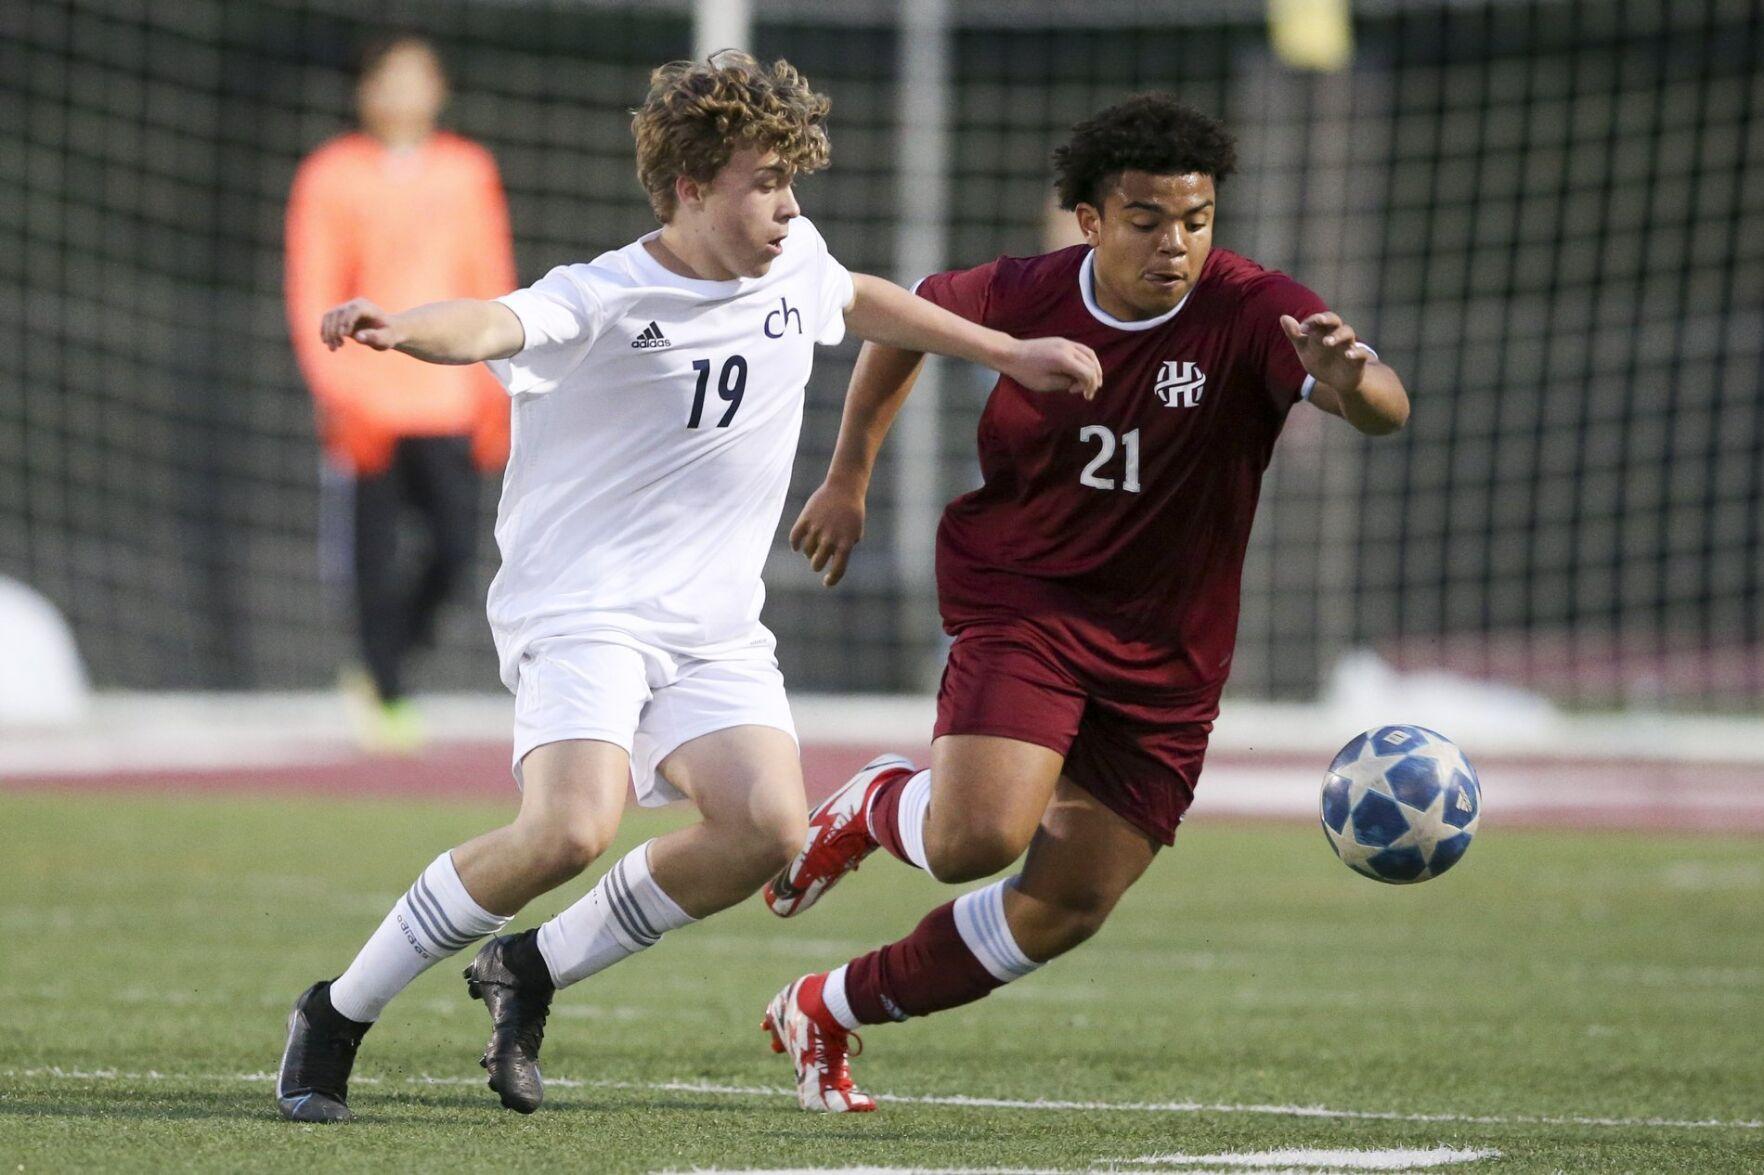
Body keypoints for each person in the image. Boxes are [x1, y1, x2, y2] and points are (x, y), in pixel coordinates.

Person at [273, 51, 1101, 1124]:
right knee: (569, 830)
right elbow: (492, 320)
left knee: (768, 830)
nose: (787, 204)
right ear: (691, 188)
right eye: (765, 181)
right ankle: (336, 1010)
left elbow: (860, 301)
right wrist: (402, 330)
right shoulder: (610, 292)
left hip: (713, 624)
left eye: (792, 180)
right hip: (585, 606)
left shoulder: (794, 258)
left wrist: (1008, 351)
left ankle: (528, 969)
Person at [760, 94, 1411, 1113]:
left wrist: (1353, 377)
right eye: (1148, 220)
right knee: (975, 839)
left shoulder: (1255, 307)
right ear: (1091, 220)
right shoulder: (1020, 290)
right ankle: (883, 800)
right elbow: (905, 326)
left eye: (1196, 219)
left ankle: (827, 1006)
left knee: (1066, 904)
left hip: (1171, 650)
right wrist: (848, 478)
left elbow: (1386, 410)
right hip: (1028, 600)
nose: (1176, 243)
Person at [285, 36, 516, 751]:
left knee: (452, 553)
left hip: (449, 399)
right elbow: (312, 289)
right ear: (365, 90)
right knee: (370, 560)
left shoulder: (468, 170)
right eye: (388, 79)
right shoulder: (330, 175)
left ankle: (388, 663)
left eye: (416, 79)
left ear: (438, 89)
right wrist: (337, 391)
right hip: (369, 404)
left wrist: (498, 387)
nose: (401, 93)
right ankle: (384, 691)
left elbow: (491, 278)